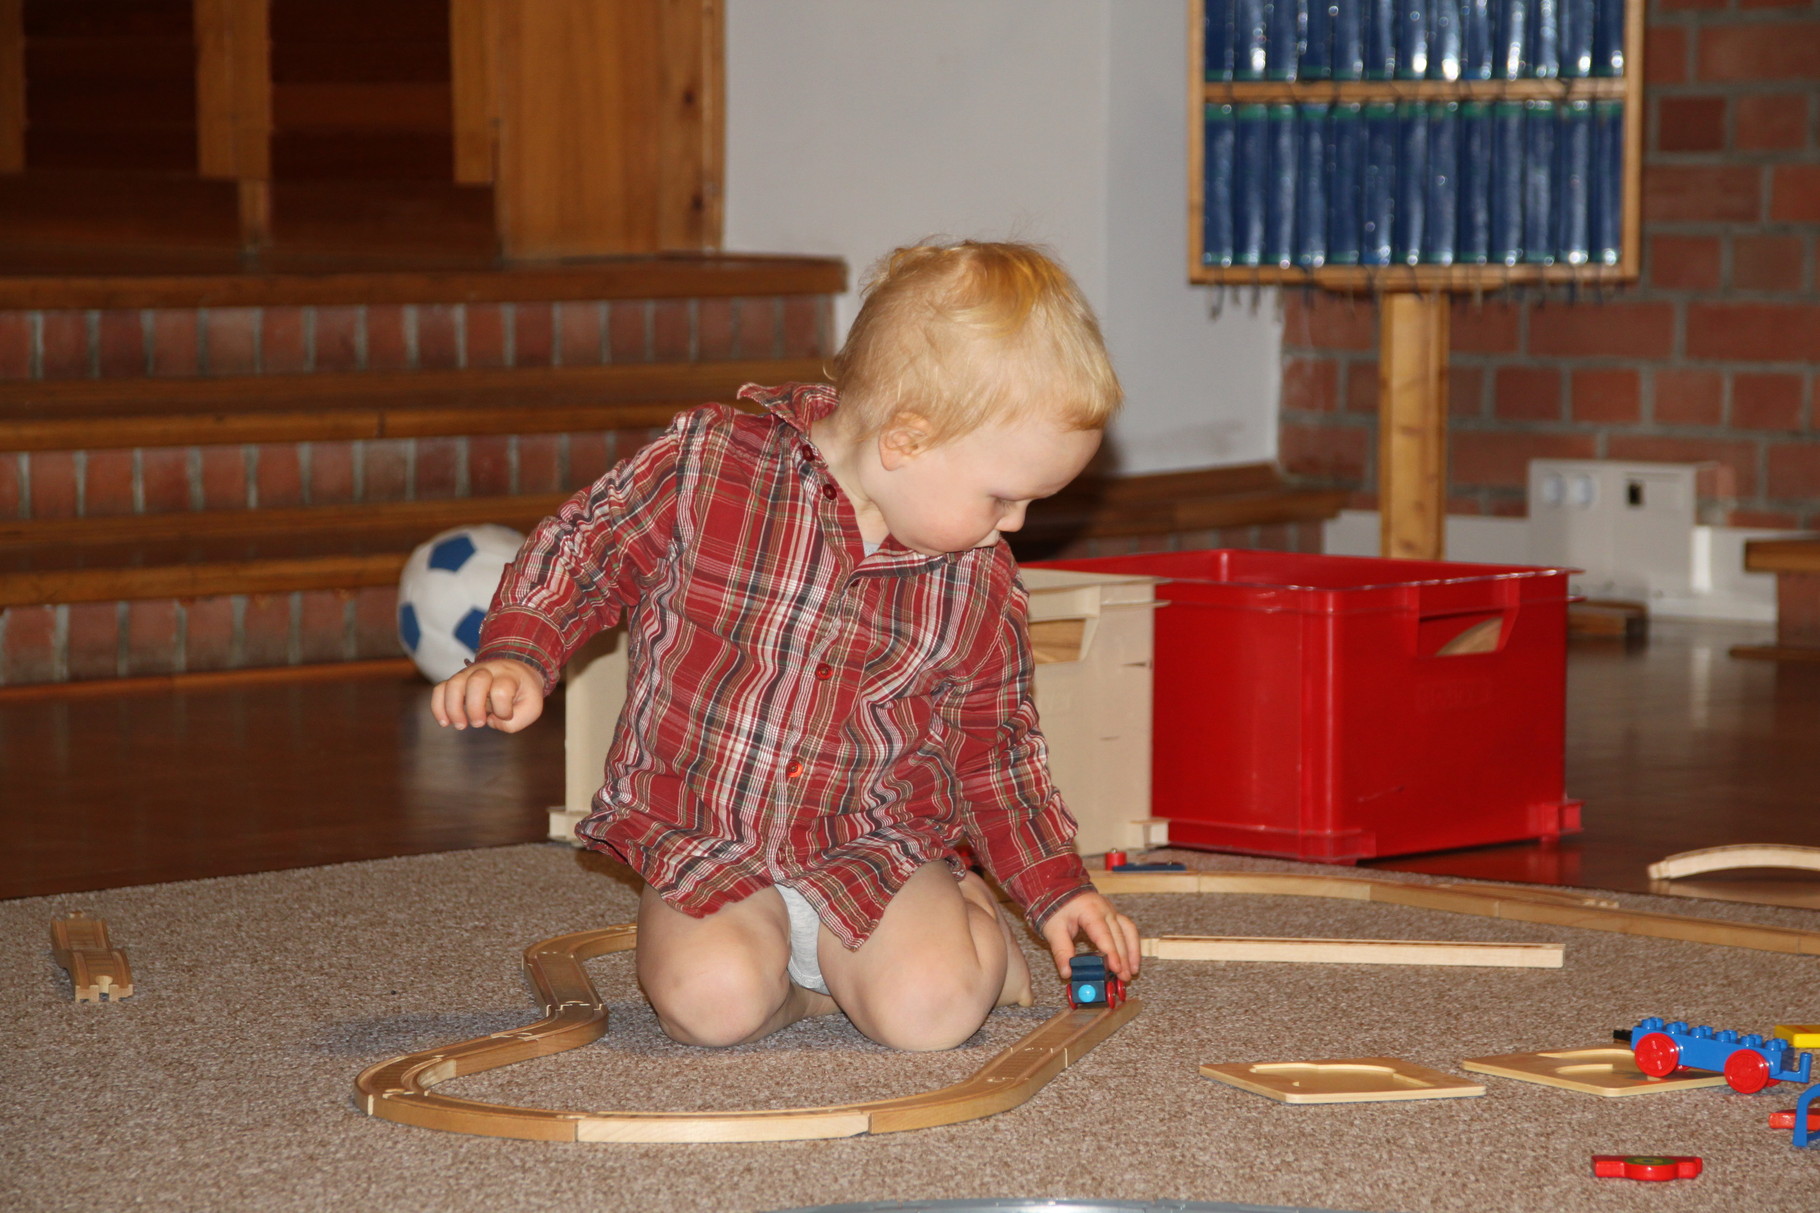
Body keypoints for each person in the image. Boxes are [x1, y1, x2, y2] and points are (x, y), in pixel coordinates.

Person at [430, 239, 1140, 1052]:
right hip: (711, 833)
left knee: (931, 1017)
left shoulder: (979, 581)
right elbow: (587, 545)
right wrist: (521, 649)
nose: (1013, 523)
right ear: (905, 441)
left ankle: (965, 917)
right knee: (710, 1007)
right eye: (1003, 496)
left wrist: (1054, 887)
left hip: (875, 846)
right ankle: (807, 995)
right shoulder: (708, 466)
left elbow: (997, 750)